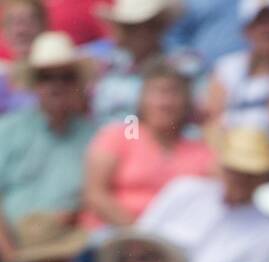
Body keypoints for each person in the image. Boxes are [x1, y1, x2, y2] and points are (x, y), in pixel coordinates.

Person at [135, 125, 269, 262]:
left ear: (265, 177)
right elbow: (138, 243)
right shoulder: (182, 190)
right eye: (234, 169)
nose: (240, 178)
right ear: (223, 165)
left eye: (249, 173)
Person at [83, 57, 215, 228]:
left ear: (187, 103)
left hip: (177, 239)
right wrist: (140, 234)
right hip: (117, 234)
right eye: (157, 92)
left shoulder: (199, 149)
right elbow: (95, 194)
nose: (164, 103)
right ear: (142, 100)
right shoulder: (119, 135)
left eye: (174, 93)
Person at [0, 30, 95, 261]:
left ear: (77, 83)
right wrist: (10, 256)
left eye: (65, 77)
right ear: (35, 83)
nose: (56, 85)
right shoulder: (8, 130)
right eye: (47, 77)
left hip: (72, 250)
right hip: (10, 250)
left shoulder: (93, 135)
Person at [204, 0, 269, 138]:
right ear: (246, 30)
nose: (266, 29)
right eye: (259, 23)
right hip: (233, 148)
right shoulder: (227, 67)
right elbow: (212, 117)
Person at [90, 0, 178, 127]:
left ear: (158, 27)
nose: (141, 33)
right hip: (115, 141)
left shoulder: (180, 64)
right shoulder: (106, 67)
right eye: (130, 27)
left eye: (149, 25)